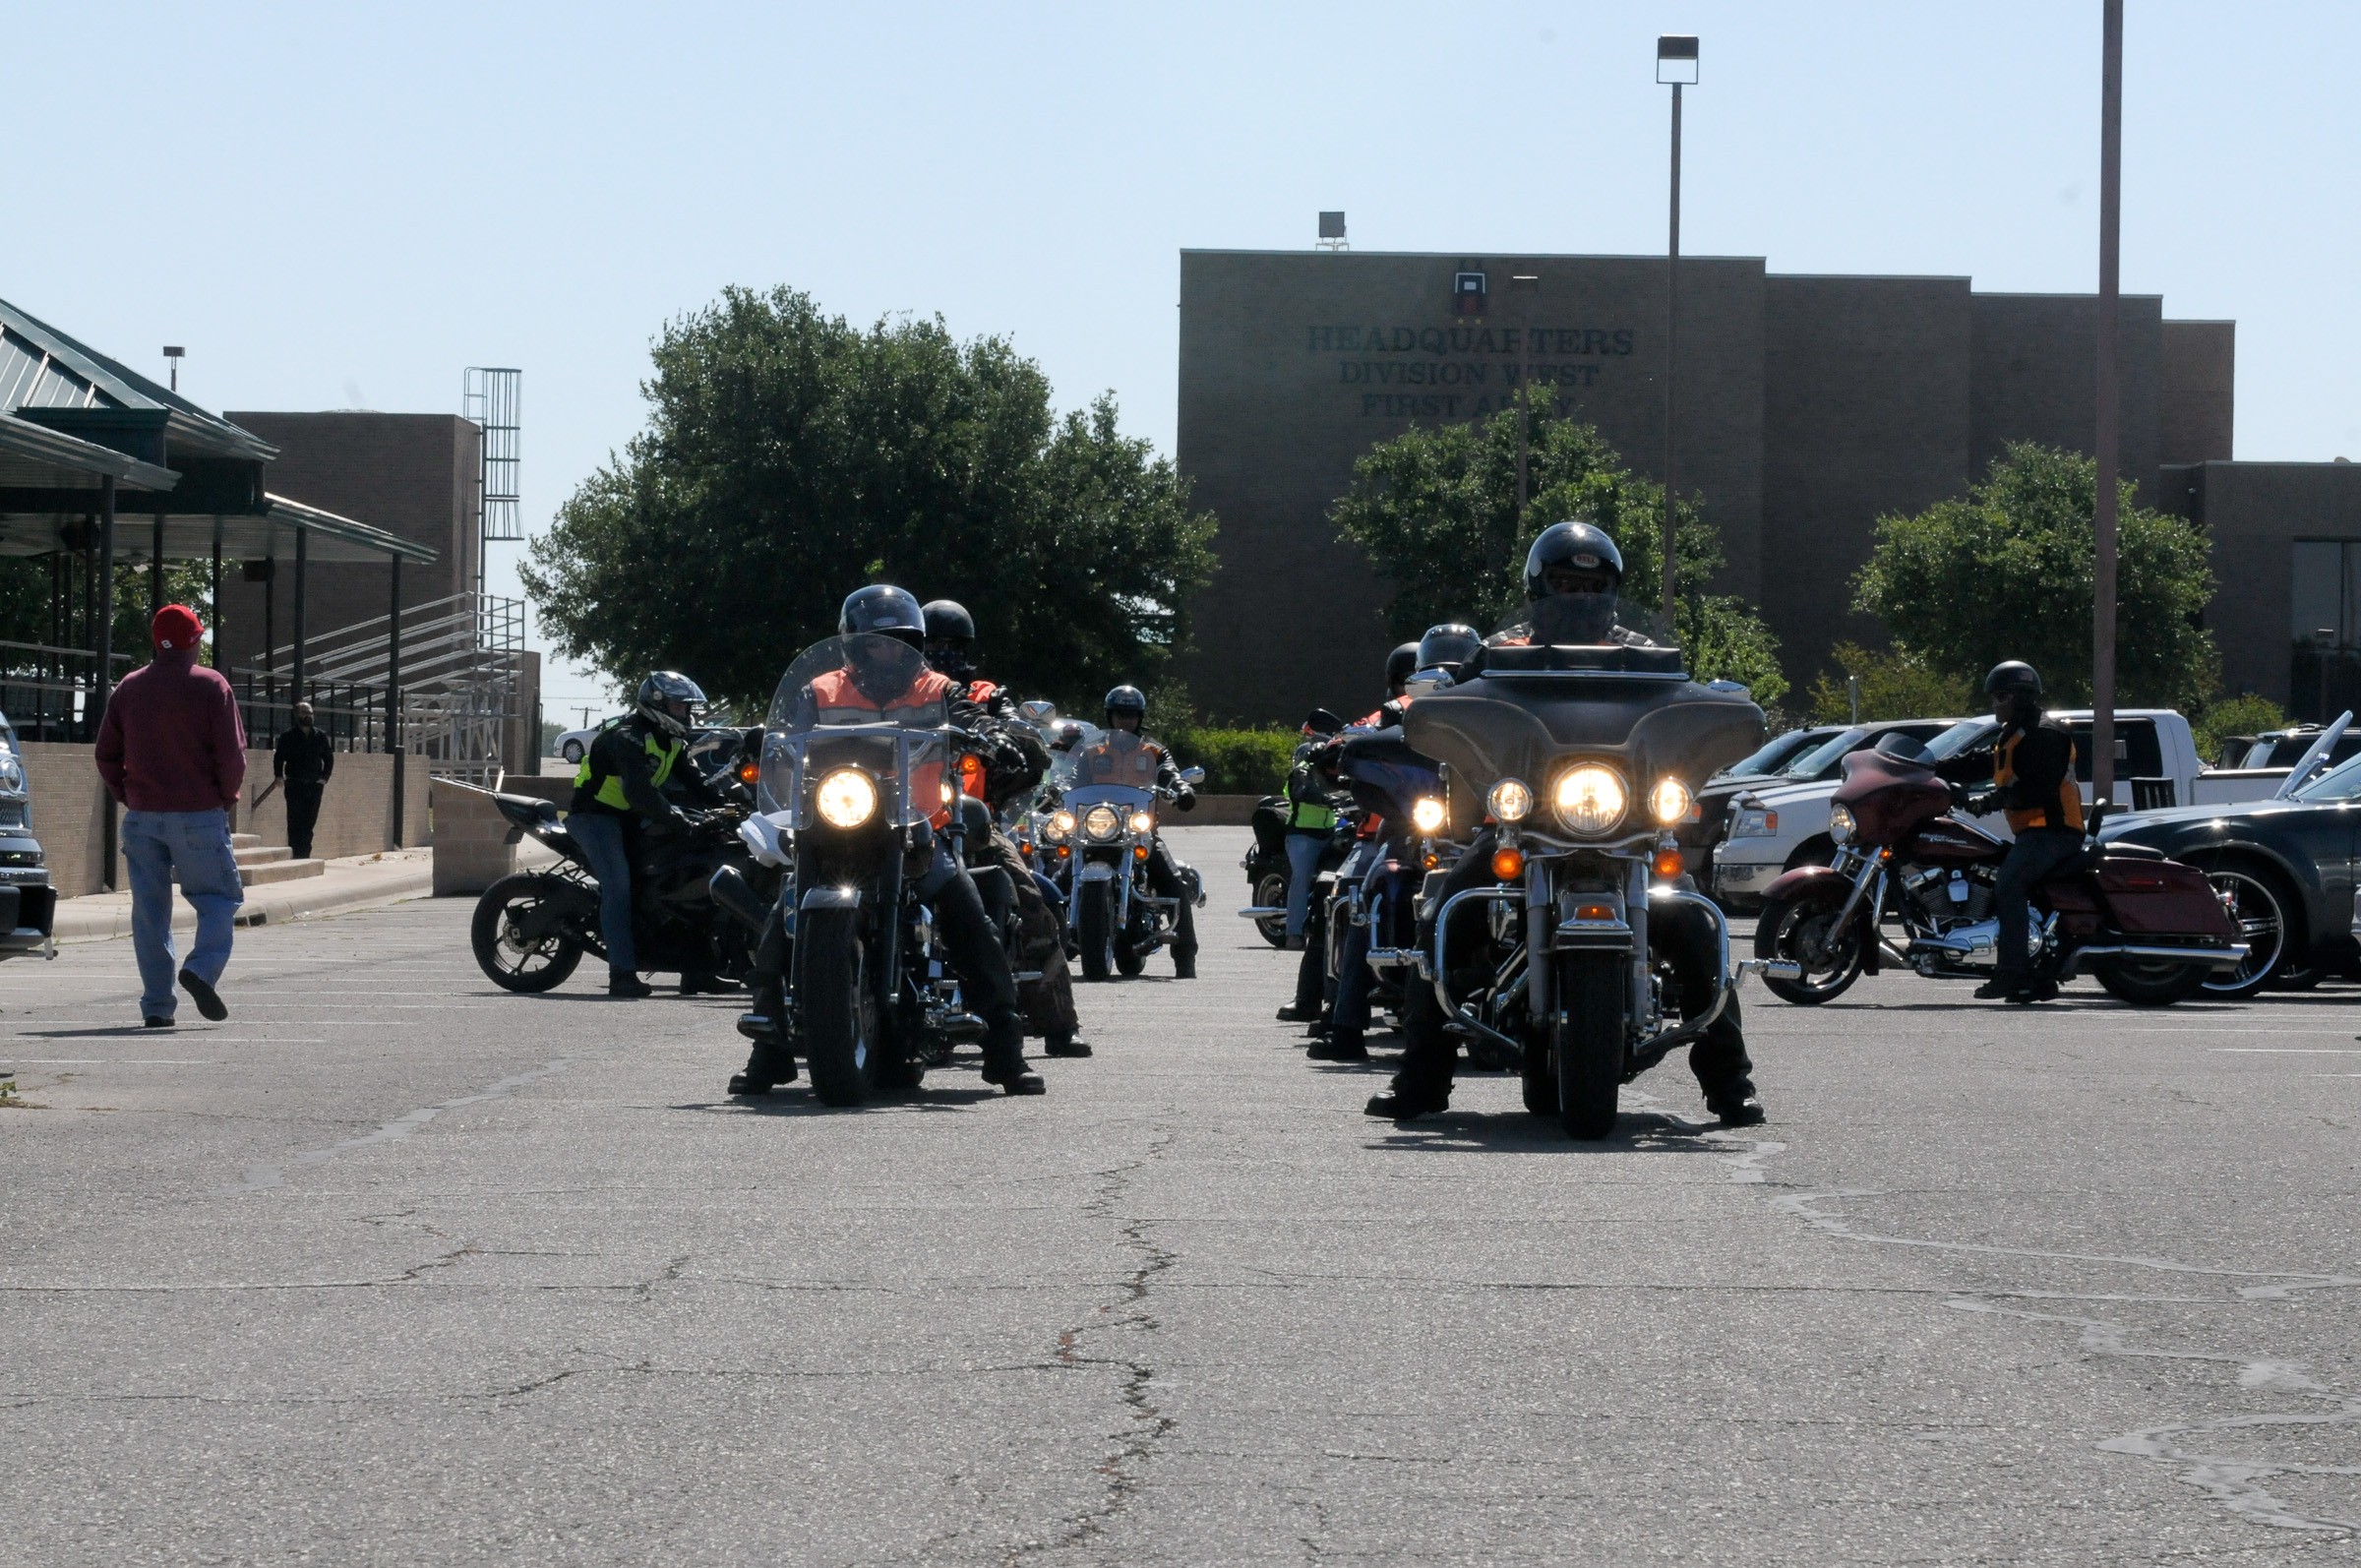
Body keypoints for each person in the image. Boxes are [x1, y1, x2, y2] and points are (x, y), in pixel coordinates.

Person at [1364, 523, 1766, 1128]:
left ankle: (1731, 1084)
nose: (1579, 597)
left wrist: (1715, 699)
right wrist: (1433, 700)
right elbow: (1460, 694)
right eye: (1566, 584)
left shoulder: (1645, 659)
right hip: (1527, 829)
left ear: (1611, 589)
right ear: (1539, 587)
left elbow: (1683, 696)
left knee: (1694, 926)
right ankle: (1420, 1079)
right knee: (1445, 917)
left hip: (1627, 830)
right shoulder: (1502, 653)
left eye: (1591, 584)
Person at [744, 586, 1045, 1095]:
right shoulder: (819, 690)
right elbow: (786, 736)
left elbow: (970, 718)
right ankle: (768, 1047)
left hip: (918, 825)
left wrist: (992, 736)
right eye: (875, 643)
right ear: (853, 645)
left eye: (897, 642)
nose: (887, 652)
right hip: (836, 821)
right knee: (782, 915)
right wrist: (757, 740)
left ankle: (1005, 1052)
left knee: (969, 916)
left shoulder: (938, 689)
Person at [921, 597, 1091, 1057]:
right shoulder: (899, 690)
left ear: (966, 647)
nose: (940, 651)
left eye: (950, 644)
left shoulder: (982, 694)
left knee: (1029, 896)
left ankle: (1059, 1024)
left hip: (965, 818)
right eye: (930, 642)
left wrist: (1010, 737)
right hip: (892, 813)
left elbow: (1014, 729)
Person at [93, 605, 245, 1028]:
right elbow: (232, 755)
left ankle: (158, 1006)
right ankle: (200, 969)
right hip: (198, 813)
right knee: (218, 898)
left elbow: (106, 753)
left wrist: (127, 794)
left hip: (143, 816)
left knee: (149, 912)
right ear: (195, 641)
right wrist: (225, 797)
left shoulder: (129, 688)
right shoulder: (212, 686)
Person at [1938, 660, 2085, 1002]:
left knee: (2009, 883)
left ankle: (2012, 974)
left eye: (2001, 695)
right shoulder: (2015, 734)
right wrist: (1924, 766)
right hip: (2035, 833)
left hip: (2054, 832)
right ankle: (2037, 977)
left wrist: (1985, 802)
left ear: (2021, 697)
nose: (1995, 703)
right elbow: (1979, 762)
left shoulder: (2046, 733)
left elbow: (2038, 787)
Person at [570, 670, 710, 998]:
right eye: (680, 707)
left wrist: (737, 802)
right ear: (656, 703)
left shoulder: (672, 741)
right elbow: (640, 792)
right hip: (596, 816)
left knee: (688, 869)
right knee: (618, 885)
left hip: (631, 819)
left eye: (687, 708)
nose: (686, 714)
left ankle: (697, 971)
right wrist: (677, 819)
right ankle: (621, 973)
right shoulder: (628, 737)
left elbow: (695, 781)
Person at [1087, 684, 1200, 978]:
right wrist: (1055, 791)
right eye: (1120, 714)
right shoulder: (1092, 750)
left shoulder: (1153, 751)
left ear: (1139, 717)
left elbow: (1169, 773)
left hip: (1140, 831)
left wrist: (1181, 788)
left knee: (1174, 883)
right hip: (1098, 829)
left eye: (1131, 715)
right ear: (1110, 716)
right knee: (1056, 879)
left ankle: (1185, 959)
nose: (1125, 720)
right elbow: (1071, 778)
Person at [1279, 708, 1346, 956]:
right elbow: (1304, 792)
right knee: (1301, 877)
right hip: (1302, 836)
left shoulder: (1333, 772)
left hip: (1328, 833)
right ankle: (1294, 933)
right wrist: (1328, 799)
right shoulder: (1301, 772)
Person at [272, 700, 334, 861]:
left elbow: (328, 758)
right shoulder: (288, 736)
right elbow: (279, 758)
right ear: (297, 715)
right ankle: (295, 855)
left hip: (314, 786)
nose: (308, 716)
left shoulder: (320, 736)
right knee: (294, 823)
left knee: (309, 823)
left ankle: (304, 856)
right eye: (304, 713)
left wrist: (324, 778)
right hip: (294, 784)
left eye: (310, 713)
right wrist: (278, 776)